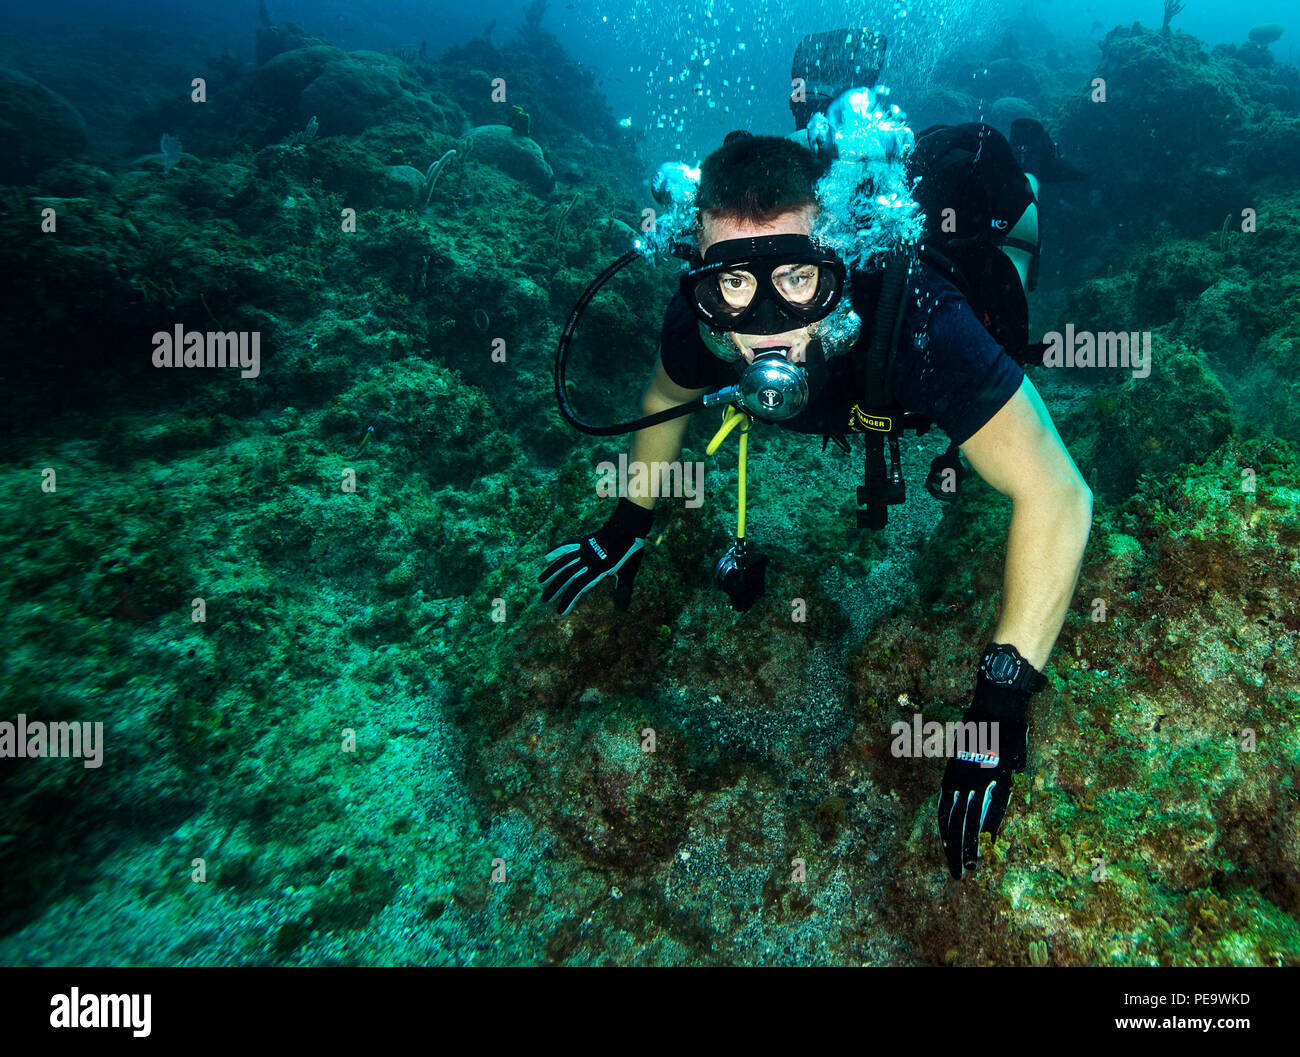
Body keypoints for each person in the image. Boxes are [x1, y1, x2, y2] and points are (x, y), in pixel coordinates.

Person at [539, 94, 1091, 882]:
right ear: (699, 276)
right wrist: (628, 522)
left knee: (1013, 250)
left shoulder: (919, 321)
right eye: (734, 285)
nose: (763, 325)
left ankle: (1027, 158)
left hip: (984, 220)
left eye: (796, 278)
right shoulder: (697, 328)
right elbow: (664, 398)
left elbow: (1059, 494)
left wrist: (1000, 705)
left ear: (837, 259)